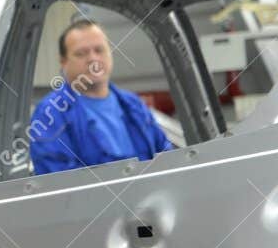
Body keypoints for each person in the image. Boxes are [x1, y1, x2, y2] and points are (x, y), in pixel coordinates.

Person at [27, 19, 175, 175]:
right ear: (63, 62)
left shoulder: (133, 104)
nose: (93, 59)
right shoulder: (50, 114)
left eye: (99, 50)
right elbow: (59, 185)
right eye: (81, 53)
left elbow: (166, 158)